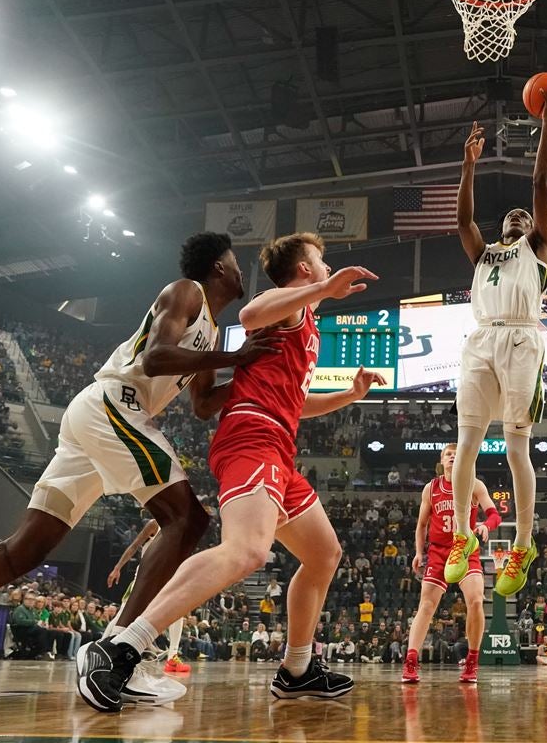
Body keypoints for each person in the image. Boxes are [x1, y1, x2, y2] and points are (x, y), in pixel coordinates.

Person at [0, 233, 268, 704]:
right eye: (236, 265)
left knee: (23, 552)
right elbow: (155, 358)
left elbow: (202, 405)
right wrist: (237, 357)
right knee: (187, 518)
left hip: (100, 421)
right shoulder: (185, 292)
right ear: (218, 268)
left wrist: (252, 376)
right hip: (114, 406)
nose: (242, 273)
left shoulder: (212, 333)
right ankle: (117, 650)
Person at [78, 232, 384, 712]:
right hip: (251, 439)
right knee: (247, 551)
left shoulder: (307, 326)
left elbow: (296, 403)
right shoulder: (286, 306)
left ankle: (298, 668)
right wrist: (325, 290)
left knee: (324, 554)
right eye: (321, 263)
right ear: (304, 269)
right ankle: (121, 647)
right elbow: (249, 315)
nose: (327, 269)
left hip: (278, 446)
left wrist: (350, 395)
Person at [443, 82, 547, 598]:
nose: (518, 216)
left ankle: (522, 542)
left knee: (517, 449)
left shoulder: (537, 247)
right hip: (481, 341)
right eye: (510, 216)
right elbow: (462, 220)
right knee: (467, 443)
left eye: (524, 216)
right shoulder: (483, 253)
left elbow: (540, 182)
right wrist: (469, 165)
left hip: (521, 340)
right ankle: (459, 536)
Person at [402, 444, 501, 684]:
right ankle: (411, 661)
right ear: (441, 460)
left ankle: (472, 661)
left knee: (476, 600)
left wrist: (485, 527)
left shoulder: (475, 485)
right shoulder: (431, 488)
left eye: (457, 454)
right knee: (426, 604)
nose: (453, 457)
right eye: (449, 454)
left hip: (465, 548)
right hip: (438, 551)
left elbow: (495, 515)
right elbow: (421, 525)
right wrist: (418, 552)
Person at [107, 519, 189, 674]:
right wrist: (117, 568)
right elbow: (133, 546)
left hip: (163, 579)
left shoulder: (180, 530)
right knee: (122, 616)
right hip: (144, 578)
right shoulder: (154, 524)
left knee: (178, 611)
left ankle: (172, 656)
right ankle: (104, 645)